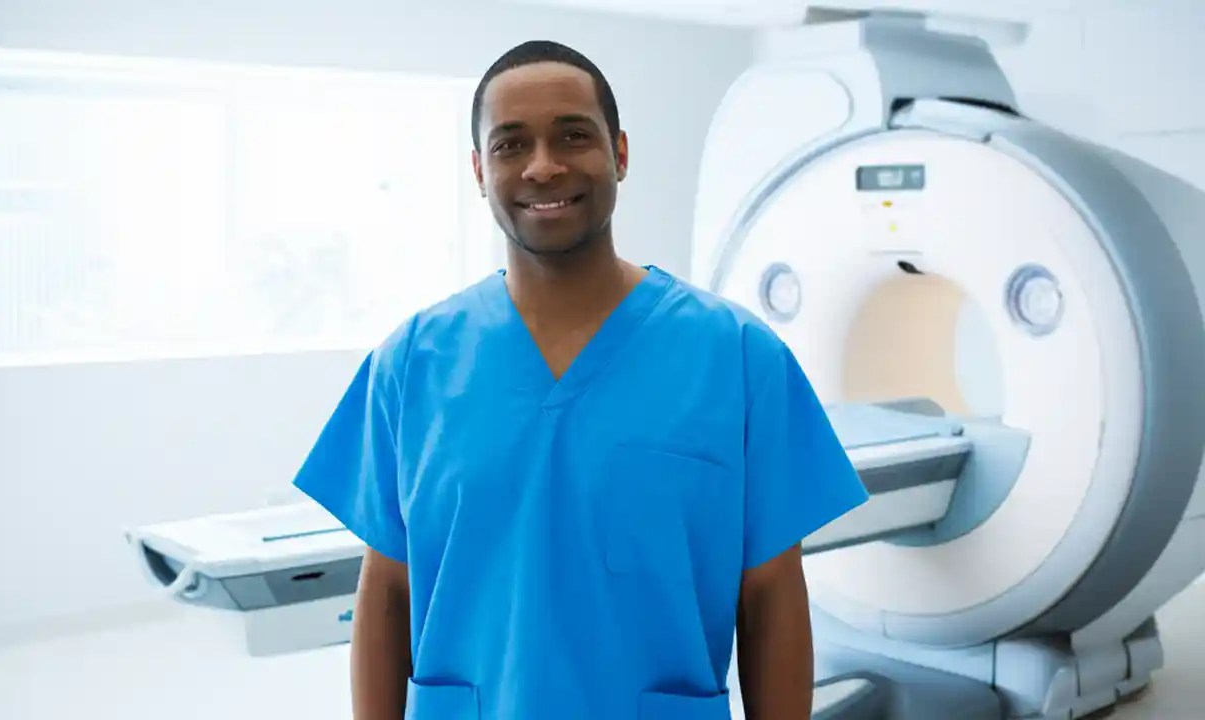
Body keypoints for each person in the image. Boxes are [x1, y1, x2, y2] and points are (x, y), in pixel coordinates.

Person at [293, 39, 869, 720]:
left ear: (619, 154)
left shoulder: (738, 356)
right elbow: (387, 589)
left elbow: (771, 592)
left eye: (573, 135)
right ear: (479, 170)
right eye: (511, 145)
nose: (544, 165)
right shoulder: (412, 362)